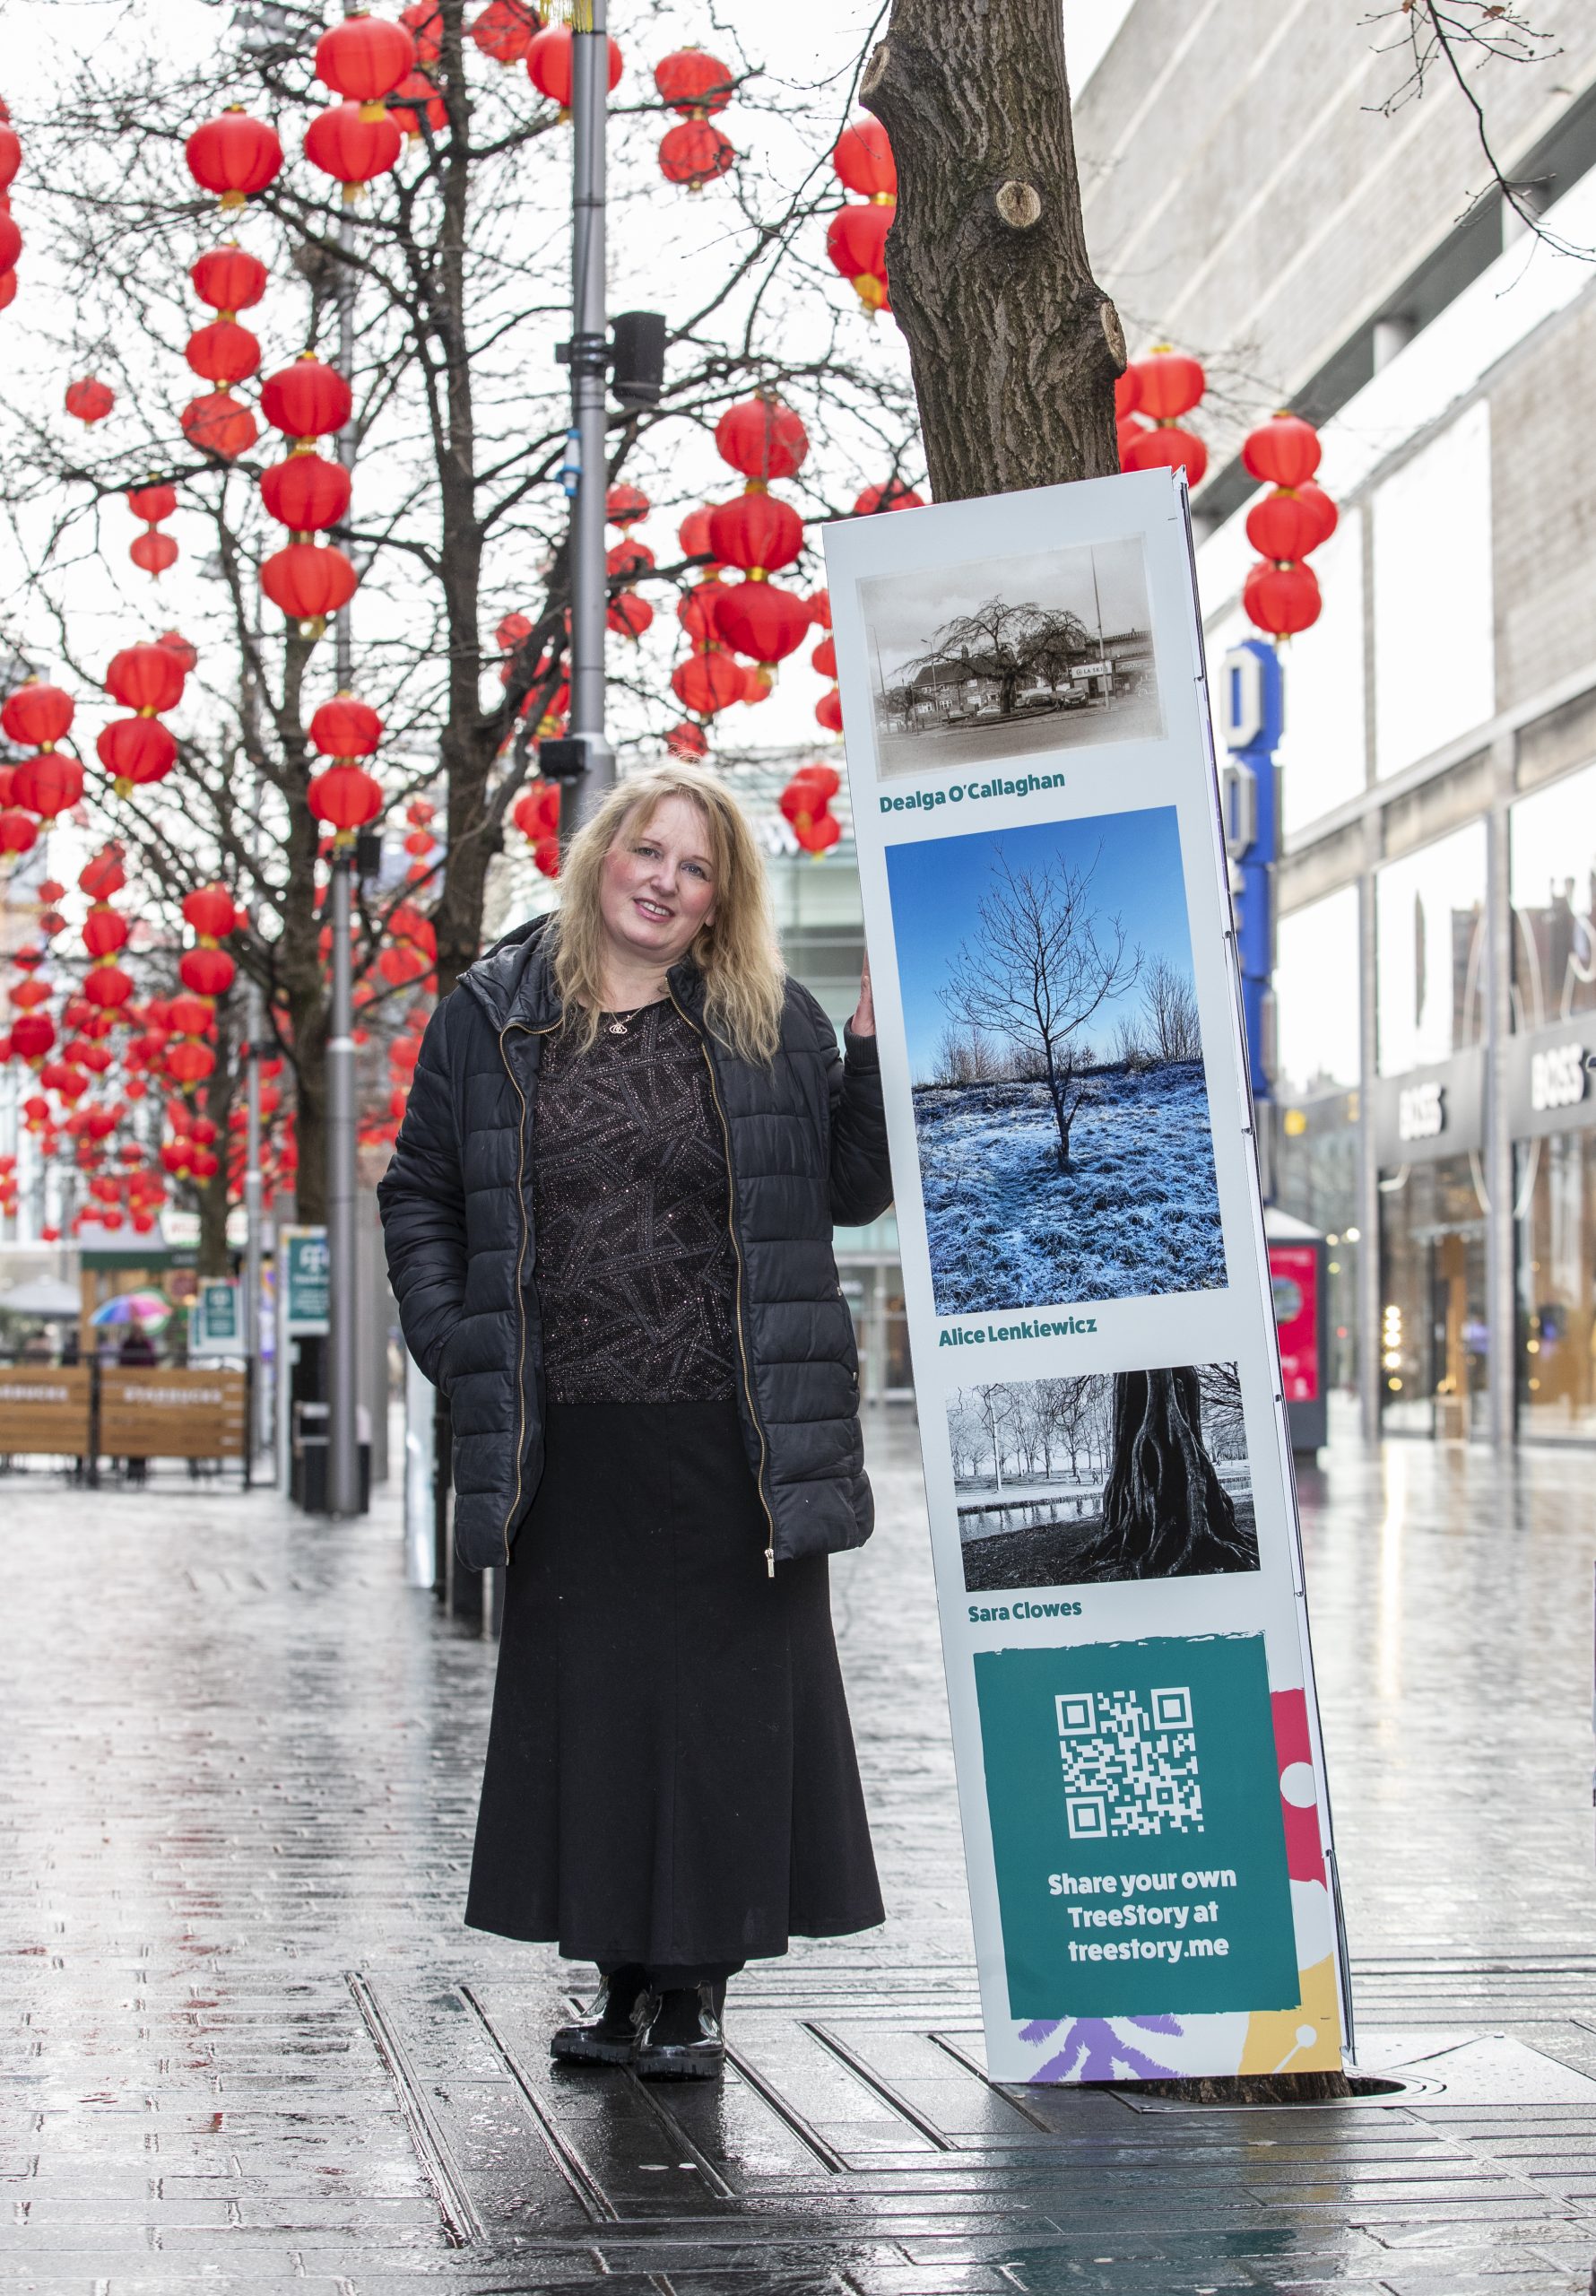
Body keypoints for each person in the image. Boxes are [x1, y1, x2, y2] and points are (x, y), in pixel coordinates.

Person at [379, 765, 892, 2082]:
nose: (664, 879)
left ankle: (694, 1993)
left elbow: (847, 1188)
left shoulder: (769, 1021)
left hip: (733, 1437)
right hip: (572, 1436)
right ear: (603, 855)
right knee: (595, 1713)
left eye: (697, 866)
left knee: (722, 1711)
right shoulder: (492, 1016)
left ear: (723, 899)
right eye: (647, 851)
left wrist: (882, 1052)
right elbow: (420, 1191)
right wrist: (456, 1346)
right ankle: (618, 1985)